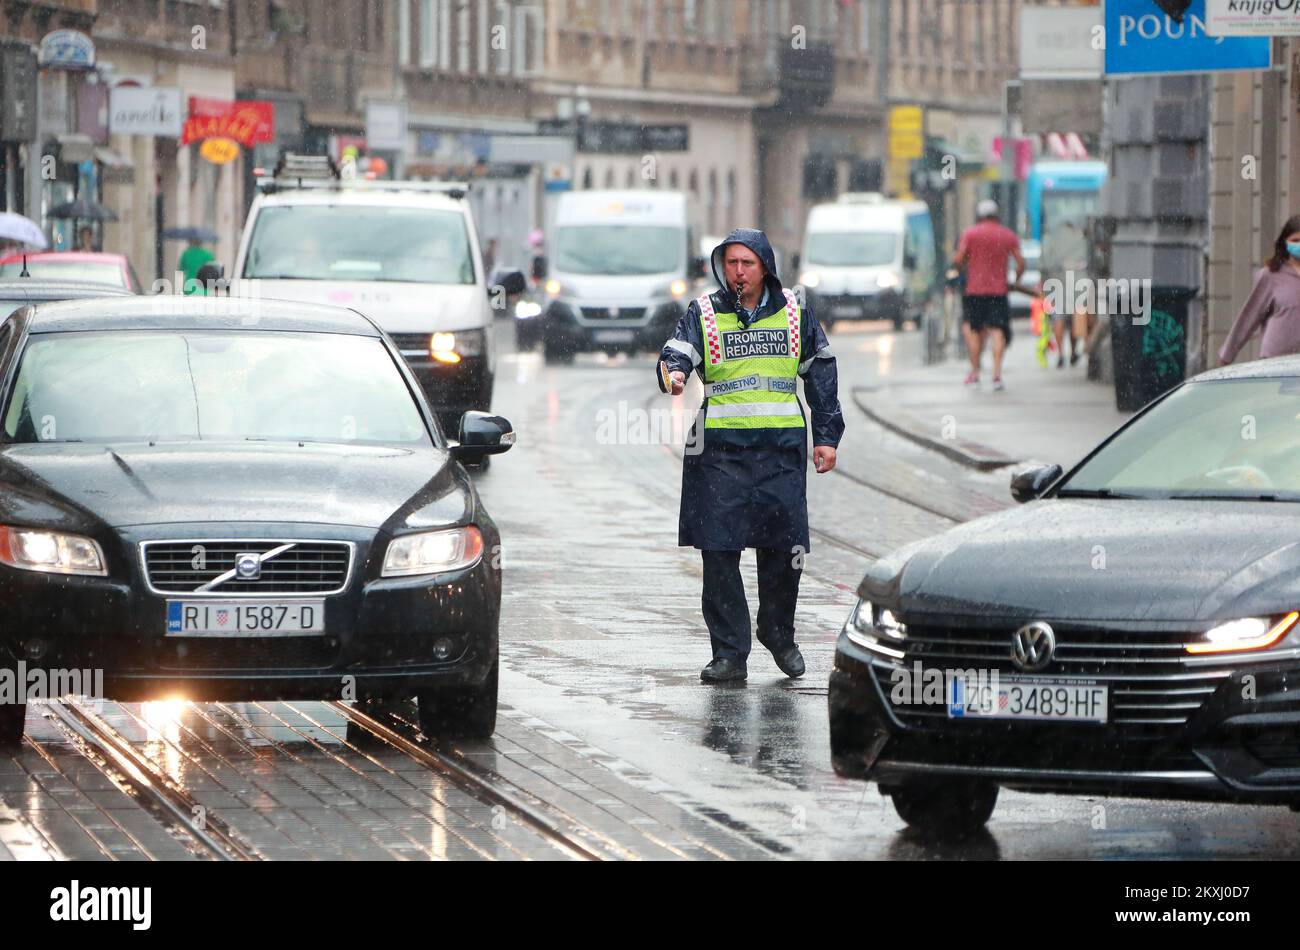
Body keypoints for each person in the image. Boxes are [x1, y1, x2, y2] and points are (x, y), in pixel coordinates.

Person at [659, 228, 844, 684]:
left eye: (747, 263)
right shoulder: (704, 312)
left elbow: (820, 372)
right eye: (731, 264)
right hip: (719, 455)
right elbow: (675, 353)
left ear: (766, 268)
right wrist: (674, 375)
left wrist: (827, 436)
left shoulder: (796, 313)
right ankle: (728, 653)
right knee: (719, 550)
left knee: (784, 549)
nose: (738, 272)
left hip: (779, 452)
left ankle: (778, 634)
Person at [953, 199, 1024, 390]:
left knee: (974, 331)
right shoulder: (1007, 235)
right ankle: (996, 375)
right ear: (996, 215)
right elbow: (1020, 263)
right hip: (998, 291)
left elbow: (958, 259)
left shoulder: (970, 234)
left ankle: (975, 373)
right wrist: (1015, 281)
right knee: (998, 332)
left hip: (975, 290)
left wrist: (966, 265)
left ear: (980, 215)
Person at [1219, 215, 1300, 365]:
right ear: (1284, 243)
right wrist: (1227, 356)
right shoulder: (1271, 275)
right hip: (1275, 363)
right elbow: (1249, 317)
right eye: (1295, 241)